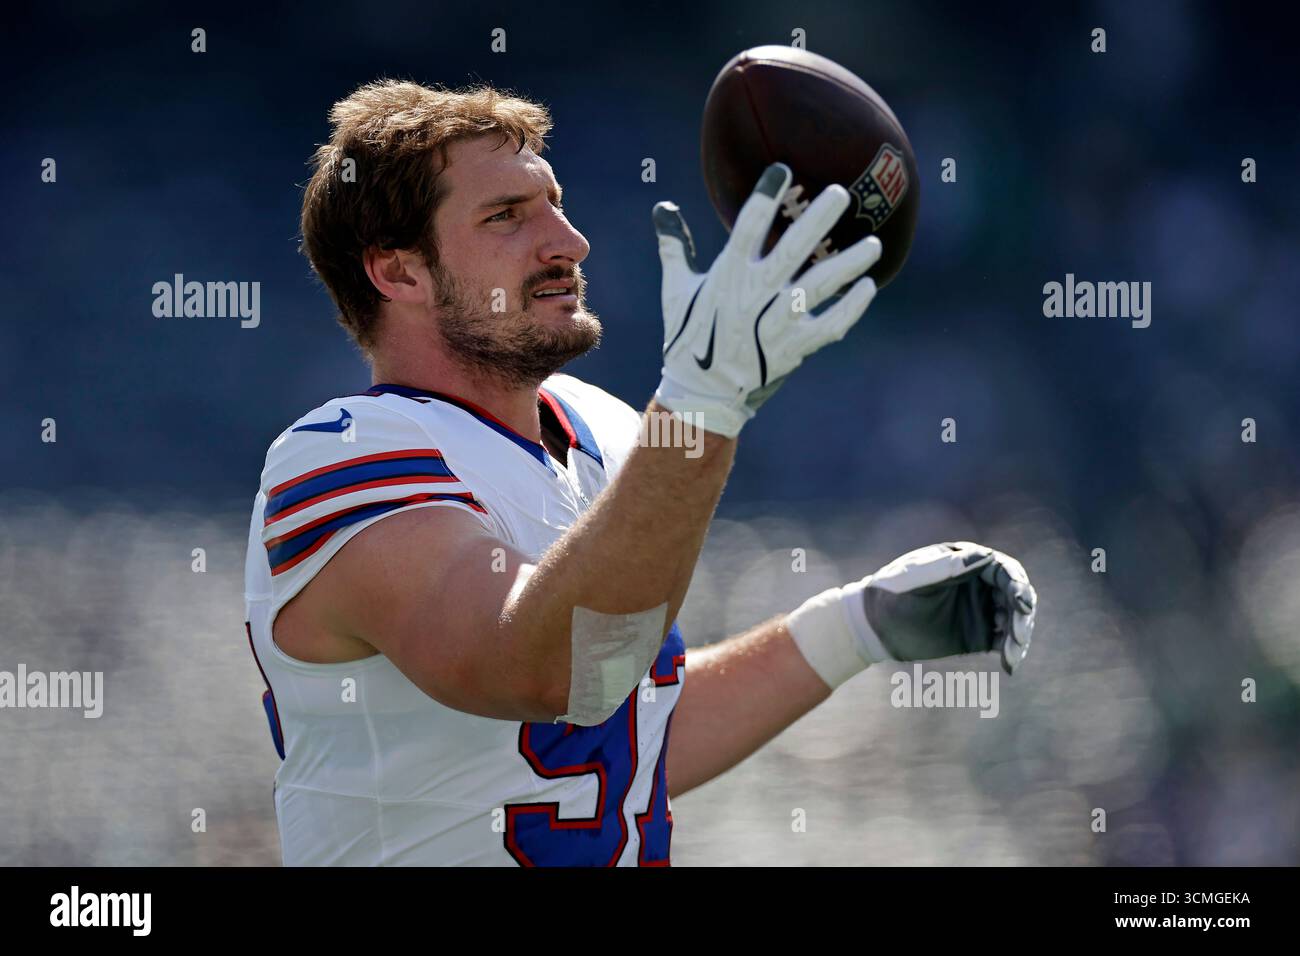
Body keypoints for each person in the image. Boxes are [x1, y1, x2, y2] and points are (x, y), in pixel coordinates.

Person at [242, 79, 1038, 866]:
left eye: (554, 202)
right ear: (400, 273)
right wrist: (702, 405)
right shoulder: (344, 454)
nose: (568, 241)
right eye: (506, 217)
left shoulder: (608, 429)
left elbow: (618, 732)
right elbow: (547, 672)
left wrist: (855, 626)